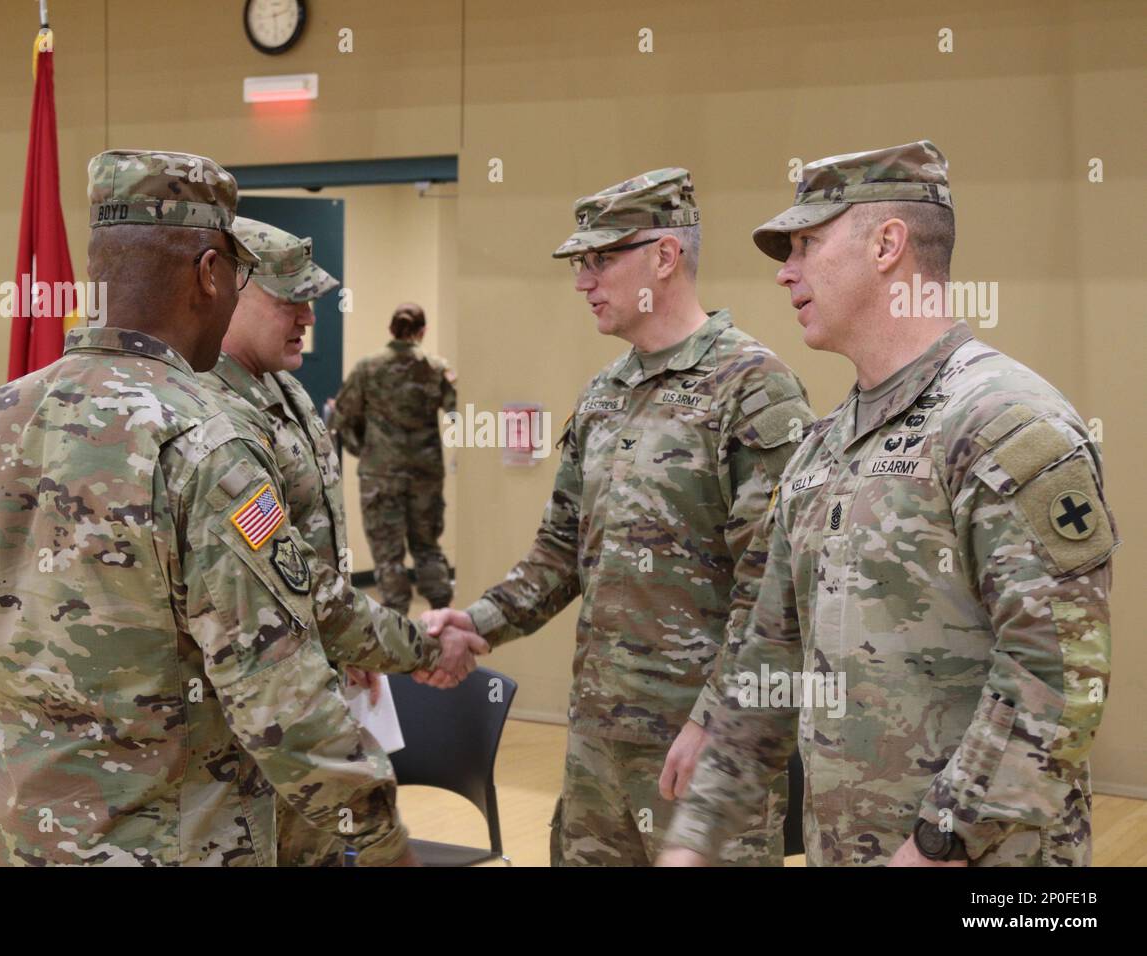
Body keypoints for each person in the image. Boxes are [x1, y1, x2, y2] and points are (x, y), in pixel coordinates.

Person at [0, 149, 420, 866]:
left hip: (31, 843)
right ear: (209, 274)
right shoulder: (208, 442)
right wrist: (380, 840)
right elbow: (279, 693)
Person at [659, 141, 1116, 867]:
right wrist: (694, 838)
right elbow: (770, 661)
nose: (785, 271)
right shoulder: (819, 451)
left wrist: (938, 844)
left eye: (807, 243)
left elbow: (1061, 672)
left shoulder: (1004, 423)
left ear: (888, 245)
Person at [422, 168, 815, 865]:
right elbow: (558, 553)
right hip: (598, 750)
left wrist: (715, 726)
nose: (583, 281)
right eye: (581, 262)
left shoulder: (753, 389)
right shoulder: (605, 395)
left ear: (664, 258)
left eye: (600, 259)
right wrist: (475, 625)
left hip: (699, 752)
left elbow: (776, 593)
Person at [200, 218, 488, 865]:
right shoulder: (213, 412)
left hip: (316, 692)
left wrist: (349, 650)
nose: (307, 316)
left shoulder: (290, 393)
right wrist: (408, 646)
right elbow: (281, 573)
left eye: (312, 301)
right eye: (288, 300)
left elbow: (314, 547)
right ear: (230, 292)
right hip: (254, 717)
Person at [332, 303, 457, 614]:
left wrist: (362, 449)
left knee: (388, 555)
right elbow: (459, 413)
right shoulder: (437, 368)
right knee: (428, 547)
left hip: (380, 474)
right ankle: (443, 615)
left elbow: (340, 418)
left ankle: (397, 624)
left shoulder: (368, 367)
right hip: (425, 474)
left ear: (391, 330)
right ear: (423, 331)